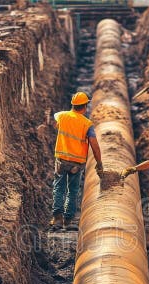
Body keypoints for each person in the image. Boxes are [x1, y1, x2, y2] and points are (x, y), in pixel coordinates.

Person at [49, 91, 104, 231]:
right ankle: (68, 220)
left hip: (61, 160)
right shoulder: (87, 124)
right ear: (85, 106)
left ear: (72, 105)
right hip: (76, 163)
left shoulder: (62, 116)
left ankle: (56, 219)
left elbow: (56, 116)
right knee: (73, 191)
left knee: (59, 188)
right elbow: (94, 145)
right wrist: (99, 163)